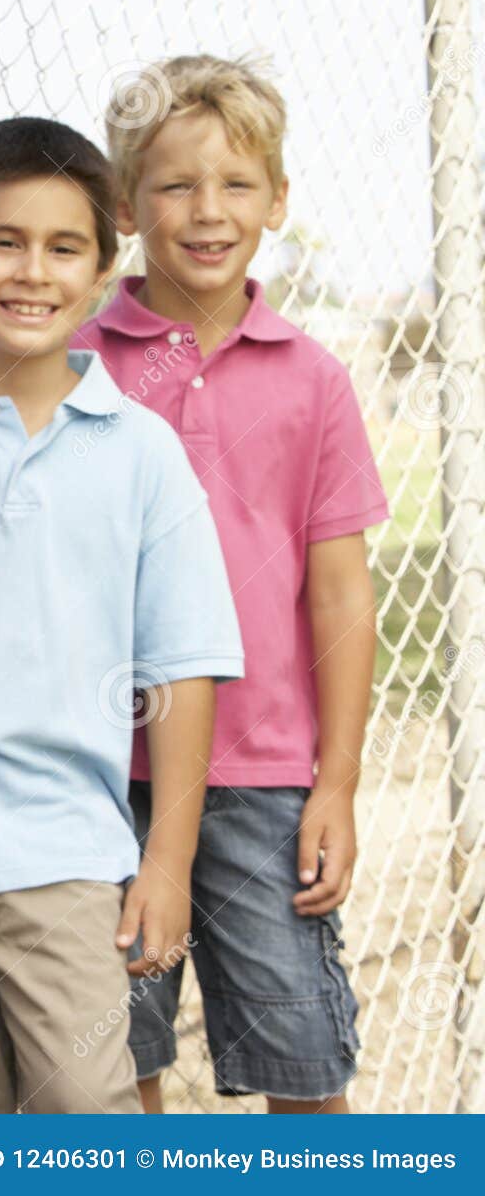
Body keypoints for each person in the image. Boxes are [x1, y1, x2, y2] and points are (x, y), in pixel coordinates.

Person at [0, 117, 245, 1112]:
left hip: (70, 864)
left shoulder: (141, 452)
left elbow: (183, 665)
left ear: (100, 269)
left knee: (88, 1121)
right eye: (3, 241)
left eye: (62, 246)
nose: (31, 271)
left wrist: (166, 860)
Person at [75, 54, 387, 1113]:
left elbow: (340, 595)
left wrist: (334, 781)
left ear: (277, 201)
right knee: (120, 1061)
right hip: (105, 768)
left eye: (235, 184)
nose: (206, 212)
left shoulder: (312, 377)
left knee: (305, 1066)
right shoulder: (72, 364)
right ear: (126, 203)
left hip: (265, 779)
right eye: (173, 185)